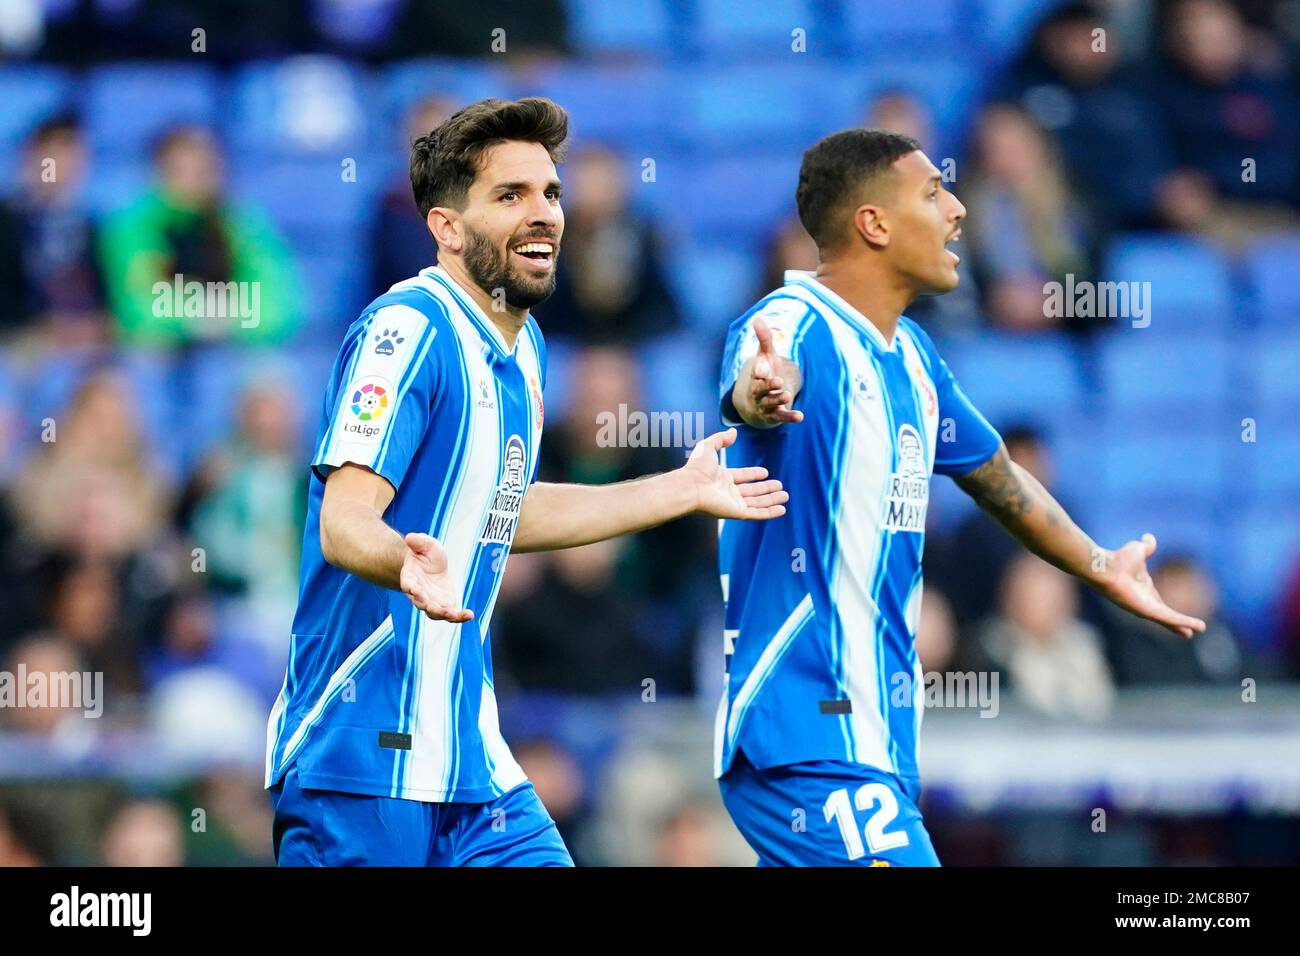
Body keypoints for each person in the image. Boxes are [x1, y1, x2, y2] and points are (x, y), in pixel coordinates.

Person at [264, 97, 788, 867]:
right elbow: (345, 522)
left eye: (551, 193)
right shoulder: (408, 330)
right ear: (446, 227)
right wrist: (405, 563)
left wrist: (677, 489)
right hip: (361, 756)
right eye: (510, 196)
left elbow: (499, 510)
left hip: (472, 761)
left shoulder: (526, 349)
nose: (543, 213)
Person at [713, 128, 1207, 867]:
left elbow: (999, 478)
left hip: (875, 737)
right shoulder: (791, 326)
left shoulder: (913, 356)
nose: (959, 210)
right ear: (873, 224)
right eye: (933, 193)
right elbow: (757, 379)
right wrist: (762, 391)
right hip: (810, 731)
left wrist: (1099, 565)